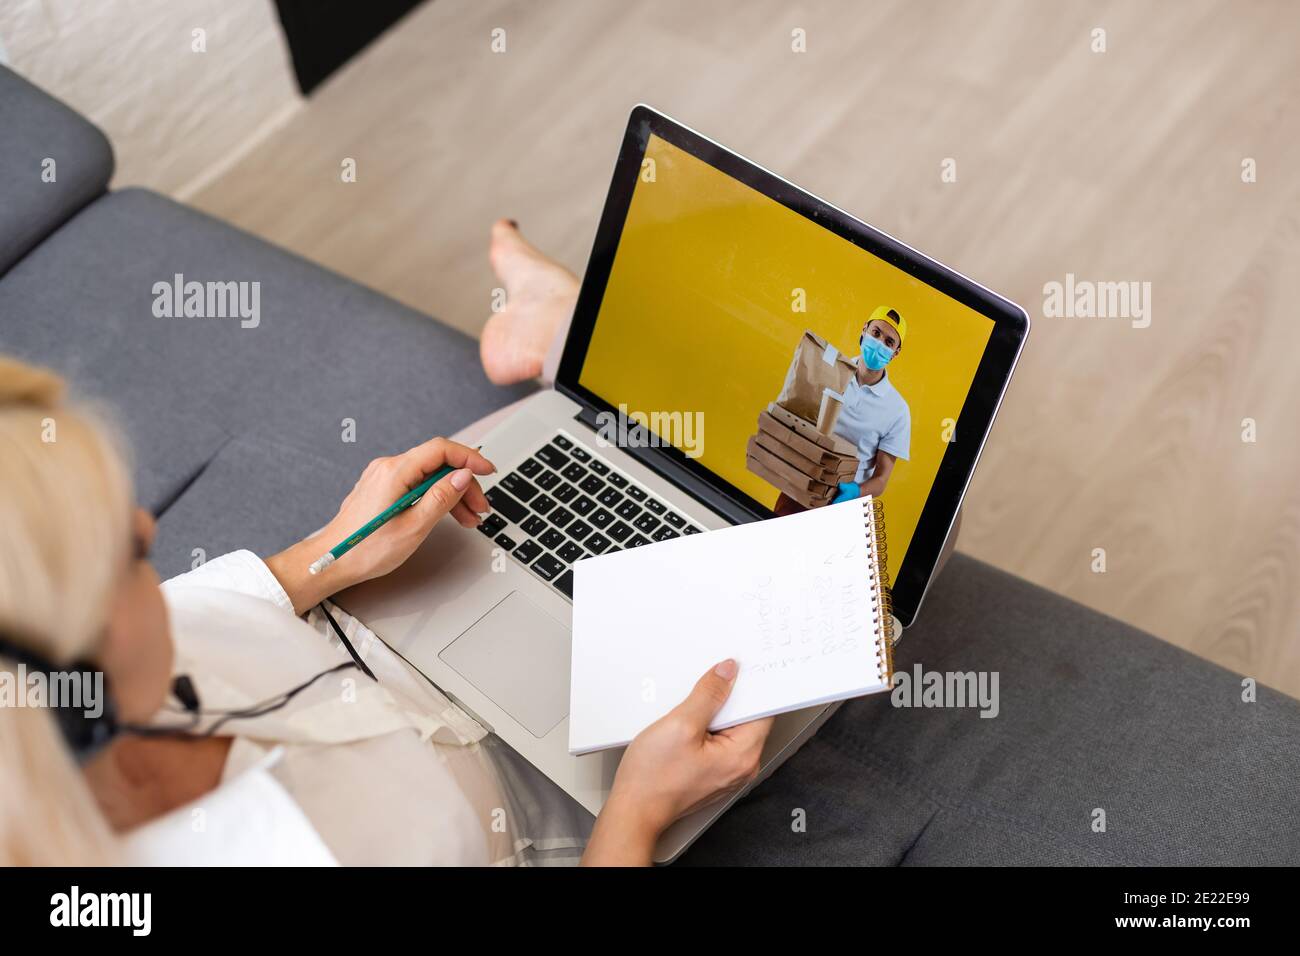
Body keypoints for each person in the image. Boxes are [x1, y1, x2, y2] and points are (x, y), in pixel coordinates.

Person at [0, 354, 769, 867]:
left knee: (566, 420)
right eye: (120, 555)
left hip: (388, 634)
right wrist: (639, 806)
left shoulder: (73, 673)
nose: (148, 527)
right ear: (66, 700)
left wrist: (338, 545)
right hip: (545, 808)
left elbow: (226, 603)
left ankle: (547, 326)